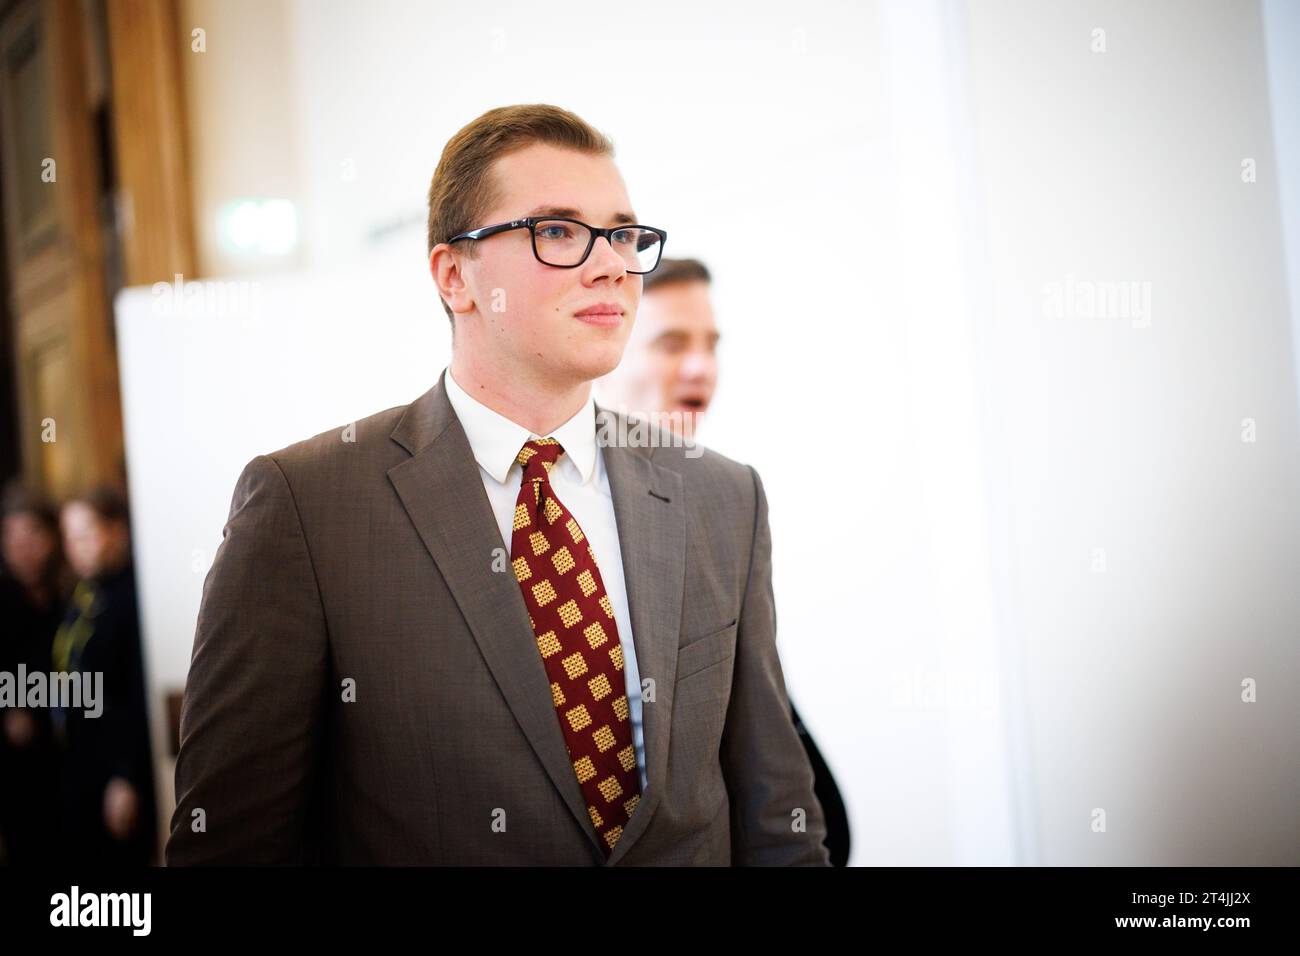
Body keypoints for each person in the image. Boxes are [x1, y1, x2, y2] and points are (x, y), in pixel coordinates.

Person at [168, 103, 830, 866]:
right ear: (456, 276)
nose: (612, 265)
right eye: (558, 232)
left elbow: (778, 820)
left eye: (622, 234)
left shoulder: (720, 496)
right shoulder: (309, 509)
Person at [598, 258, 853, 866]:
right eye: (671, 343)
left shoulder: (726, 507)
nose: (701, 368)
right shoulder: (553, 534)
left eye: (710, 344)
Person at [52, 486, 157, 865]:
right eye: (69, 537)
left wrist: (126, 777)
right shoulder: (84, 592)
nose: (75, 547)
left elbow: (138, 695)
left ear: (117, 531)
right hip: (82, 760)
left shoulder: (133, 596)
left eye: (86, 535)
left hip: (117, 768)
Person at [0, 483, 66, 864]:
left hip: (69, 760)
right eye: (11, 537)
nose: (21, 548)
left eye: (31, 535)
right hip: (17, 770)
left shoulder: (72, 595)